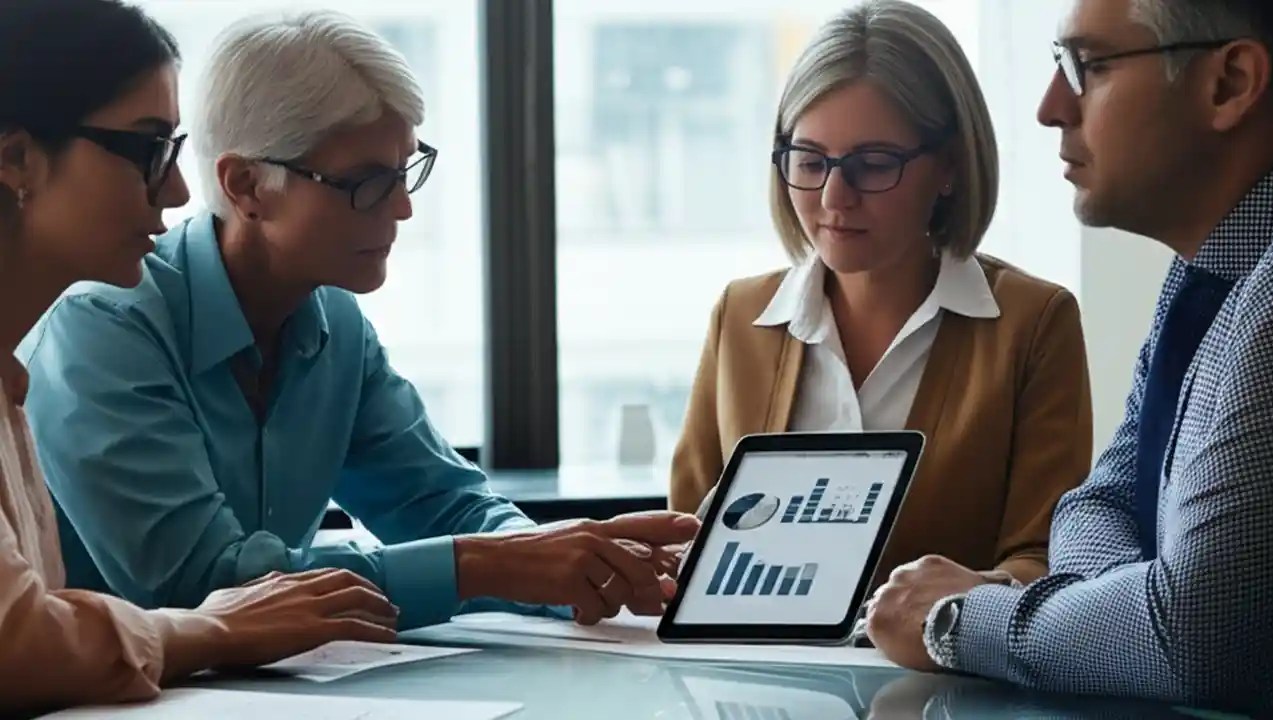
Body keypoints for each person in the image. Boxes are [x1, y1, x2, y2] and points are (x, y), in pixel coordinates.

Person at [19, 8, 697, 632]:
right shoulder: (104, 320)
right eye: (367, 181)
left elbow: (442, 505)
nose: (401, 209)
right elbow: (201, 582)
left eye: (407, 172)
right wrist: (492, 563)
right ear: (246, 185)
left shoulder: (333, 323)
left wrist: (587, 560)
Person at [865, 0, 1273, 714]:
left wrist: (954, 621)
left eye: (1088, 65)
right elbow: (1097, 502)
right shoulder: (1200, 279)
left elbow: (1197, 641)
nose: (1050, 107)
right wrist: (1114, 615)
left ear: (1230, 83)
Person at [0, 1, 411, 713]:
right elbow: (17, 640)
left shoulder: (10, 390)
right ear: (15, 159)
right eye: (146, 148)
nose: (181, 190)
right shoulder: (100, 323)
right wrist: (212, 627)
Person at [669, 0, 1091, 591]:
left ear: (948, 166)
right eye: (810, 161)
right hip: (753, 677)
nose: (834, 198)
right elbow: (682, 542)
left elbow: (1043, 561)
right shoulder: (740, 318)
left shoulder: (1032, 324)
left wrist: (947, 604)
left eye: (872, 165)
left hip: (945, 679)